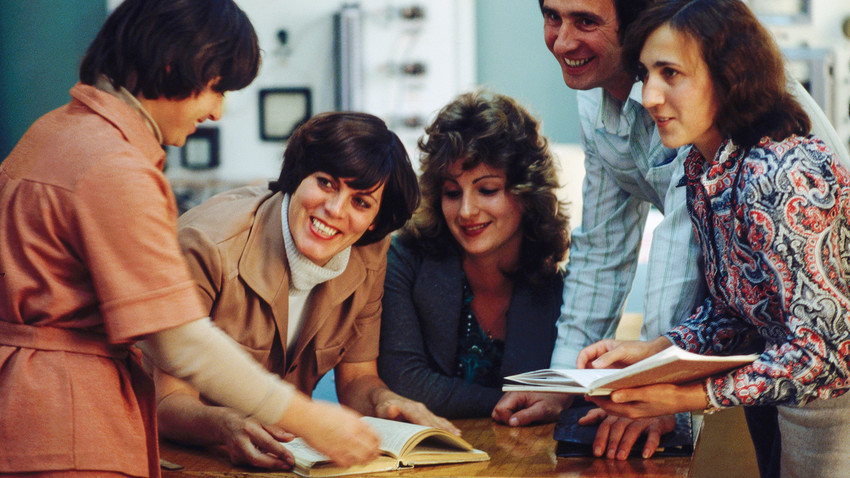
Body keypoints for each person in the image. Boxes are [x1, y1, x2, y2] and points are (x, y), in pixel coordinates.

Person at [0, 1, 380, 475]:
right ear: (172, 66)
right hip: (68, 418)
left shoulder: (53, 132)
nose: (217, 112)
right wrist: (309, 419)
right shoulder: (114, 167)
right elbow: (178, 341)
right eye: (217, 90)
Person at [495, 0, 850, 462]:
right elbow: (734, 309)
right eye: (645, 75)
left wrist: (679, 394)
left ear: (728, 76)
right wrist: (653, 352)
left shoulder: (779, 171)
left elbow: (828, 354)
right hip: (786, 384)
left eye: (670, 75)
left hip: (828, 394)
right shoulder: (711, 168)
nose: (648, 97)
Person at [155, 111, 457, 470]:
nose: (334, 209)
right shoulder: (206, 245)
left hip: (285, 463)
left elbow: (358, 377)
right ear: (299, 175)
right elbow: (166, 402)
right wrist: (225, 425)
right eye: (327, 183)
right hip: (184, 461)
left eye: (361, 202)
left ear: (374, 221)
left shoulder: (371, 252)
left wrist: (383, 401)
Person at [377, 91, 570, 418]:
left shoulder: (559, 285)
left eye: (487, 189)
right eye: (452, 192)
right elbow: (404, 381)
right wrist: (508, 403)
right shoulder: (405, 258)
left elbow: (575, 391)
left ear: (526, 193)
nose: (466, 211)